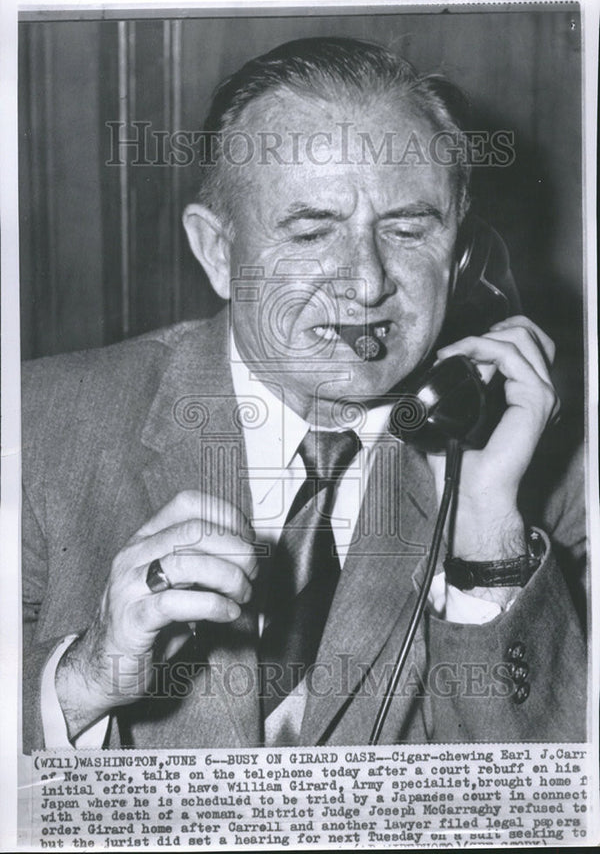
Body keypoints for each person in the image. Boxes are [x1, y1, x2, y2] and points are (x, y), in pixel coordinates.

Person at [22, 37, 586, 752]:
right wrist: (86, 676)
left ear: (462, 253)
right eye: (313, 231)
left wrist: (487, 542)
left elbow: (555, 801)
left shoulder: (553, 469)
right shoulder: (37, 427)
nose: (368, 282)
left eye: (409, 228)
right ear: (218, 252)